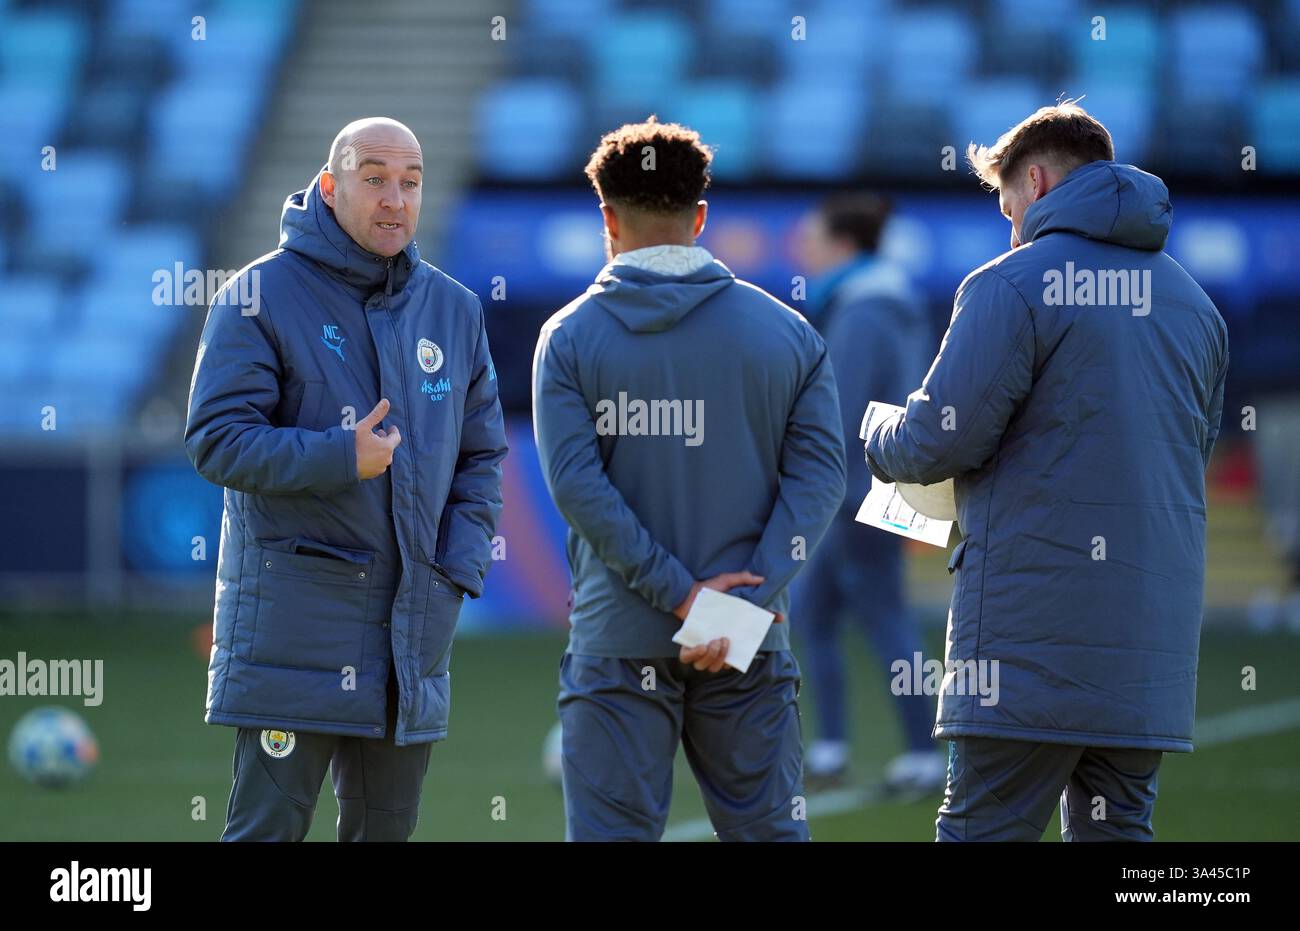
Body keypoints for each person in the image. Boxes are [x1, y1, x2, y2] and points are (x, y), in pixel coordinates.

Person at [865, 101, 1228, 841]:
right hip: (1149, 653)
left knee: (980, 831)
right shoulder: (1197, 306)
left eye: (1007, 207)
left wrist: (877, 431)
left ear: (1034, 181)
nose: (1010, 226)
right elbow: (1194, 450)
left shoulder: (1012, 282)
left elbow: (937, 442)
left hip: (1024, 647)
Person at [185, 117, 508, 841]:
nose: (396, 199)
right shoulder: (256, 294)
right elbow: (216, 441)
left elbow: (482, 456)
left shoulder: (453, 310)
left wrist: (456, 566)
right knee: (266, 833)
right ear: (330, 189)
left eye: (411, 182)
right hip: (293, 638)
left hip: (410, 641)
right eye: (374, 179)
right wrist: (339, 455)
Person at [532, 117, 846, 841]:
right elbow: (822, 478)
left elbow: (578, 488)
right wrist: (741, 605)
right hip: (747, 638)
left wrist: (678, 595)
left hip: (619, 640)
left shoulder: (569, 337)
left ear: (606, 218)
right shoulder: (789, 333)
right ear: (700, 216)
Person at [792, 193, 943, 793]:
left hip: (863, 491)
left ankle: (924, 754)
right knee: (818, 612)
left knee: (883, 616)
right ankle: (831, 750)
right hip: (889, 484)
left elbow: (841, 409)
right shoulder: (887, 299)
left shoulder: (862, 309)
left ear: (843, 244)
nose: (802, 248)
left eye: (812, 237)